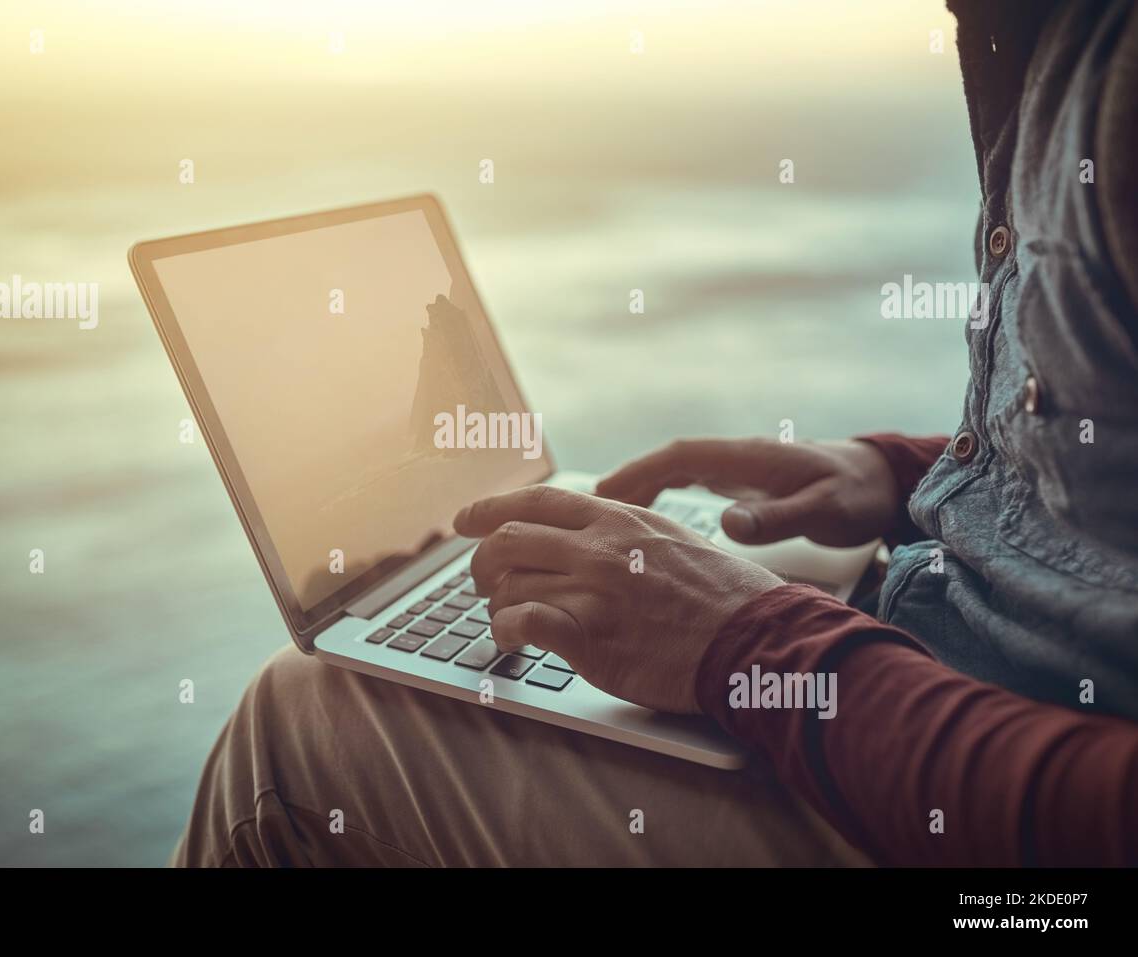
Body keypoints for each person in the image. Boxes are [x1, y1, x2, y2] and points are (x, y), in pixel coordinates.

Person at [171, 0, 1138, 866]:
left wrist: (750, 645)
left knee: (297, 721)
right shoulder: (1058, 36)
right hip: (923, 666)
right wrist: (911, 481)